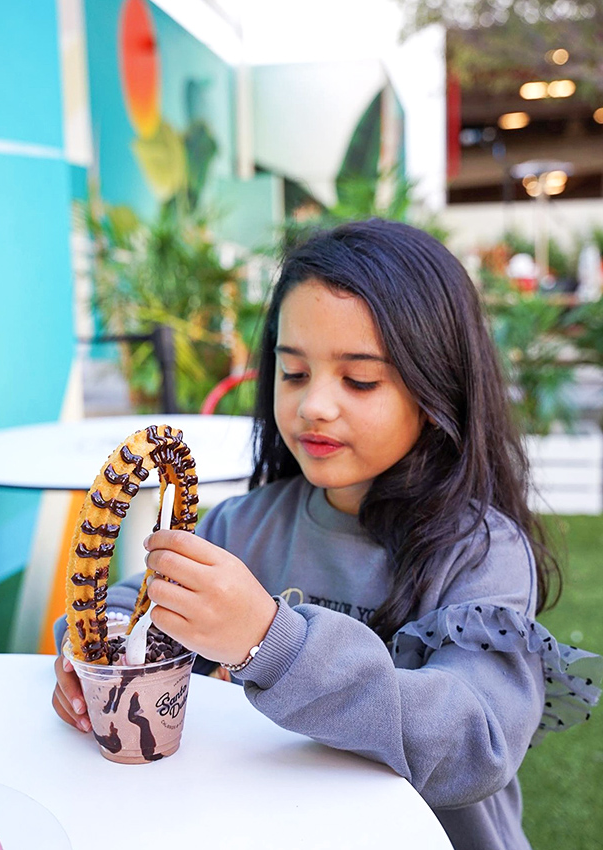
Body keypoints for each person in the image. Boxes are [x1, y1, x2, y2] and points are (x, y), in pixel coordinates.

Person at [53, 218, 602, 850]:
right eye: (293, 372)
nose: (314, 405)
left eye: (360, 379)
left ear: (435, 389)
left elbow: (475, 743)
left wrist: (268, 641)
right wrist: (94, 653)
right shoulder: (242, 526)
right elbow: (129, 602)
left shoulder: (481, 554)